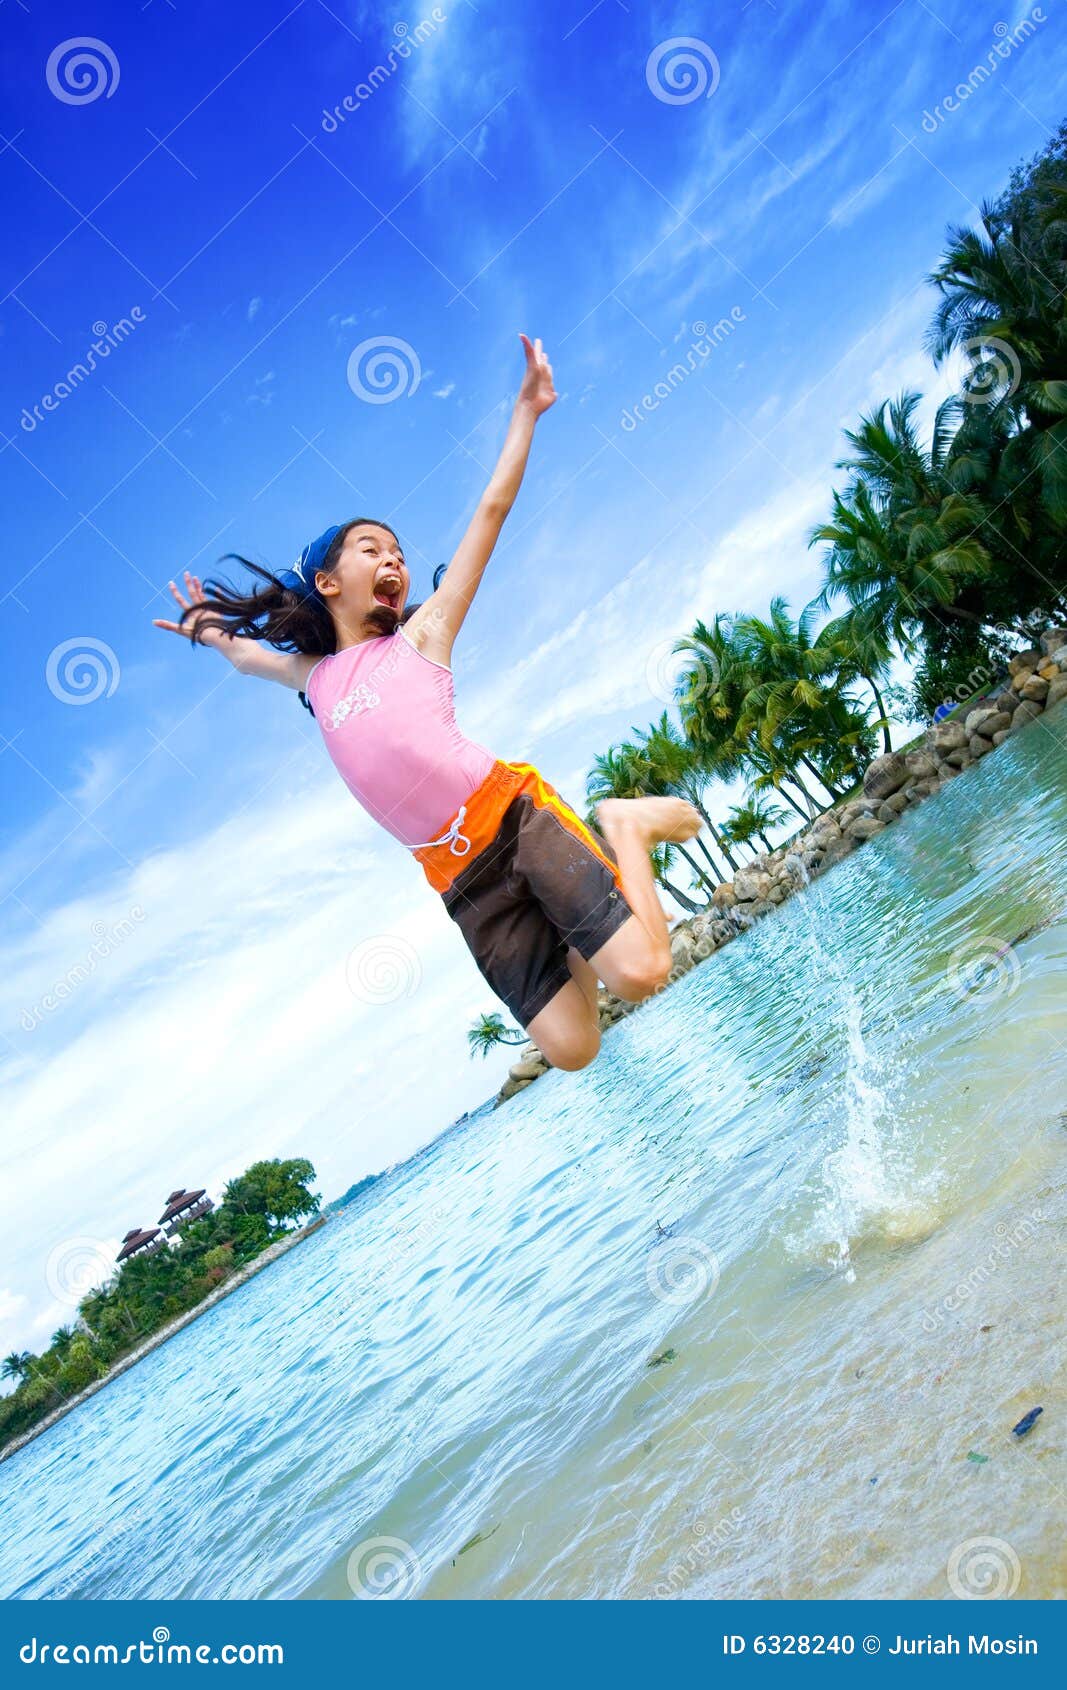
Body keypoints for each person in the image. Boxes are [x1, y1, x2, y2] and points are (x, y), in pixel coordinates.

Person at [154, 335, 700, 1071]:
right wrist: (211, 631)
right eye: (372, 549)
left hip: (513, 820)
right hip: (460, 882)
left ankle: (622, 824)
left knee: (640, 975)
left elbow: (491, 510)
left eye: (399, 554)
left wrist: (527, 413)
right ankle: (568, 918)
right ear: (326, 582)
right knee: (573, 1047)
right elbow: (251, 657)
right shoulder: (314, 679)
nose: (394, 562)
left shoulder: (423, 638)